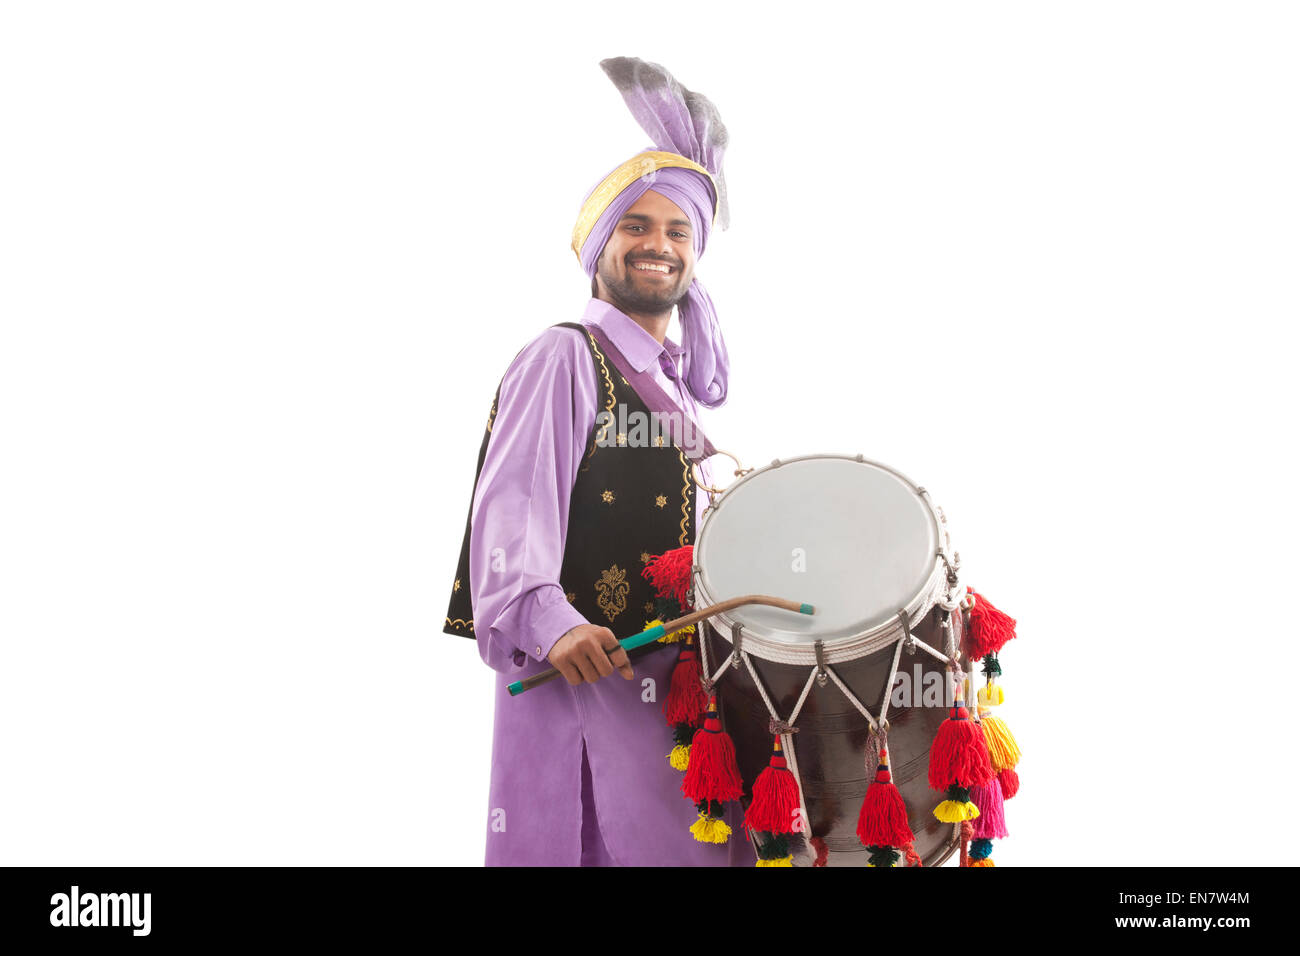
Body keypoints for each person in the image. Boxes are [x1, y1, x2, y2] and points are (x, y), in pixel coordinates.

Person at [444, 57, 753, 866]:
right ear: (600, 246)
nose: (658, 245)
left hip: (676, 713)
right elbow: (510, 513)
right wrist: (553, 622)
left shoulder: (678, 399)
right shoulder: (564, 358)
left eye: (678, 230)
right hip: (581, 697)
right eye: (637, 226)